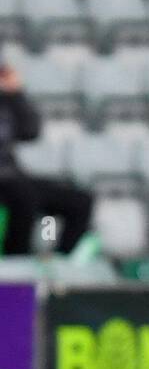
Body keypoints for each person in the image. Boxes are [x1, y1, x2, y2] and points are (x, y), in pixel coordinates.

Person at [0, 62, 91, 256]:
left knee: (81, 201)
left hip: (12, 178)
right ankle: (16, 261)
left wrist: (15, 94)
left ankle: (60, 260)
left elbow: (30, 131)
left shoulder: (6, 101)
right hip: (9, 183)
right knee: (24, 196)